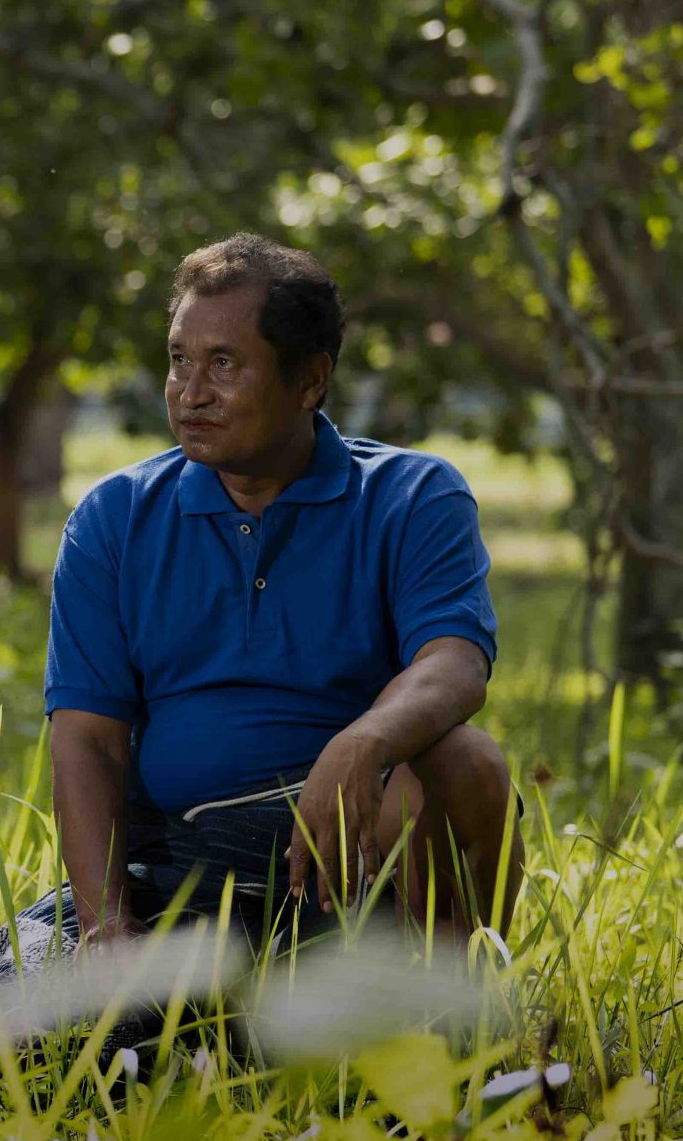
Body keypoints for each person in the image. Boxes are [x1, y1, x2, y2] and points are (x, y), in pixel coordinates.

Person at [46, 233, 523, 951]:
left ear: (309, 380)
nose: (190, 392)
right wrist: (107, 928)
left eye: (224, 364)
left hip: (354, 860)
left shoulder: (412, 496)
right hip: (177, 871)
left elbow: (455, 662)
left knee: (468, 760)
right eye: (179, 359)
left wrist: (362, 740)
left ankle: (443, 1015)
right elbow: (88, 742)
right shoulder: (114, 518)